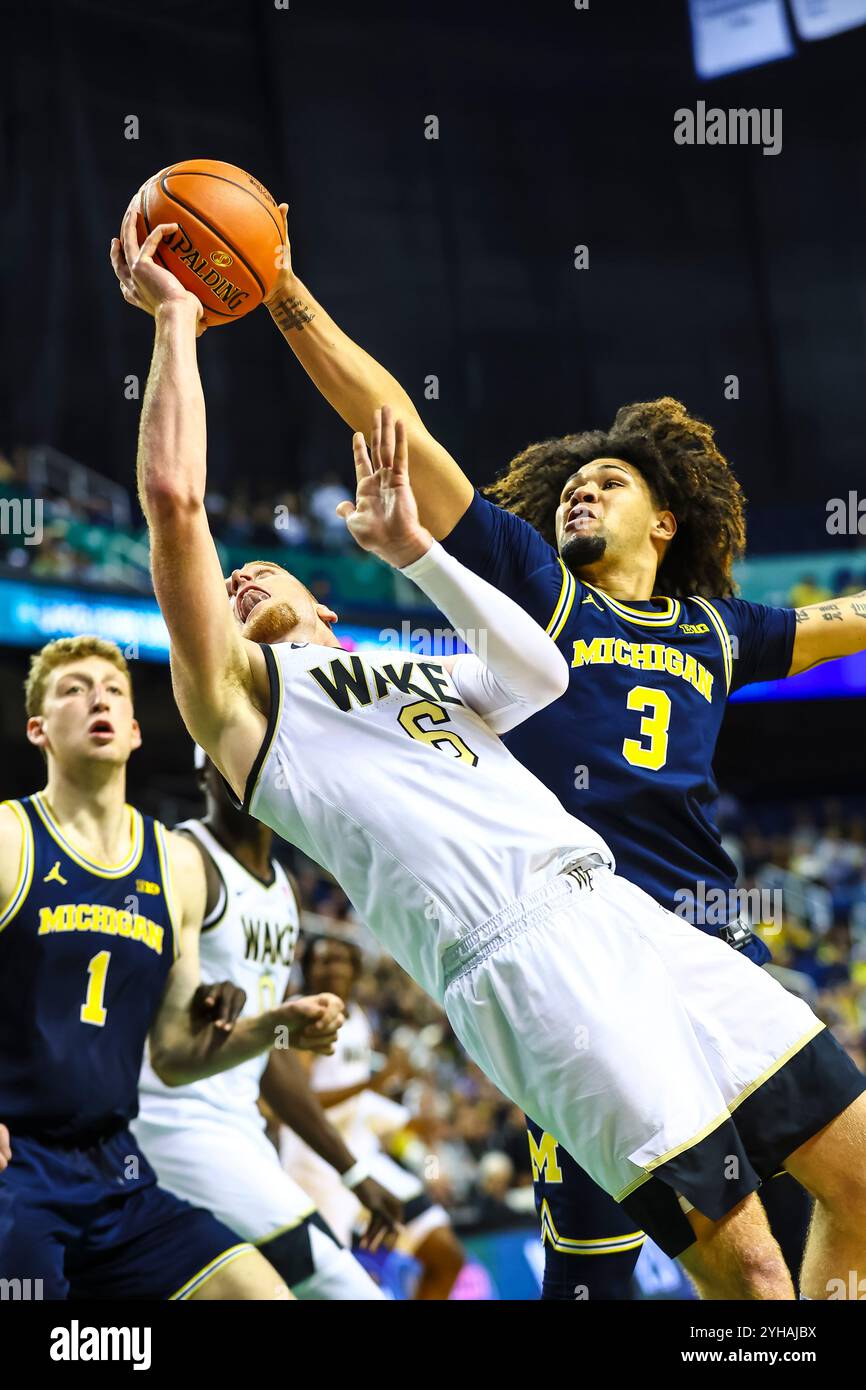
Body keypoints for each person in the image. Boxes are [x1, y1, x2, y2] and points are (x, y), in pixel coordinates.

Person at [112, 202, 866, 1299]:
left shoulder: (447, 669)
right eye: (228, 586)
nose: (239, 583)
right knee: (728, 1276)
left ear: (326, 603)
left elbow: (536, 674)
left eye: (611, 482)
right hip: (529, 957)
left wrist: (416, 553)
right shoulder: (241, 698)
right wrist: (194, 315)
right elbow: (183, 504)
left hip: (641, 922)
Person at [0, 635, 343, 1300]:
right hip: (17, 1173)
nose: (97, 697)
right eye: (73, 689)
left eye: (113, 689)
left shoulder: (174, 865)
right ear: (38, 729)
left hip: (118, 1172)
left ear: (133, 730)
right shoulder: (12, 840)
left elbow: (178, 1055)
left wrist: (276, 1025)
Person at [132, 749, 399, 1299]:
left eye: (253, 759)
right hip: (173, 1121)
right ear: (203, 769)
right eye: (224, 758)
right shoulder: (185, 860)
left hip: (239, 1129)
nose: (239, 770)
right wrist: (187, 994)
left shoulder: (284, 890)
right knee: (341, 1285)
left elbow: (272, 1052)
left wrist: (351, 1172)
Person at [280, 934, 466, 1299]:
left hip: (362, 1158)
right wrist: (374, 1081)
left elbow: (357, 1101)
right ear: (307, 968)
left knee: (444, 1253)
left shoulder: (358, 1018)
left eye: (340, 960)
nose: (332, 968)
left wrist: (403, 1120)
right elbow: (296, 1101)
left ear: (355, 969)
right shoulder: (300, 1015)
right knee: (324, 1288)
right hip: (315, 1168)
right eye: (322, 960)